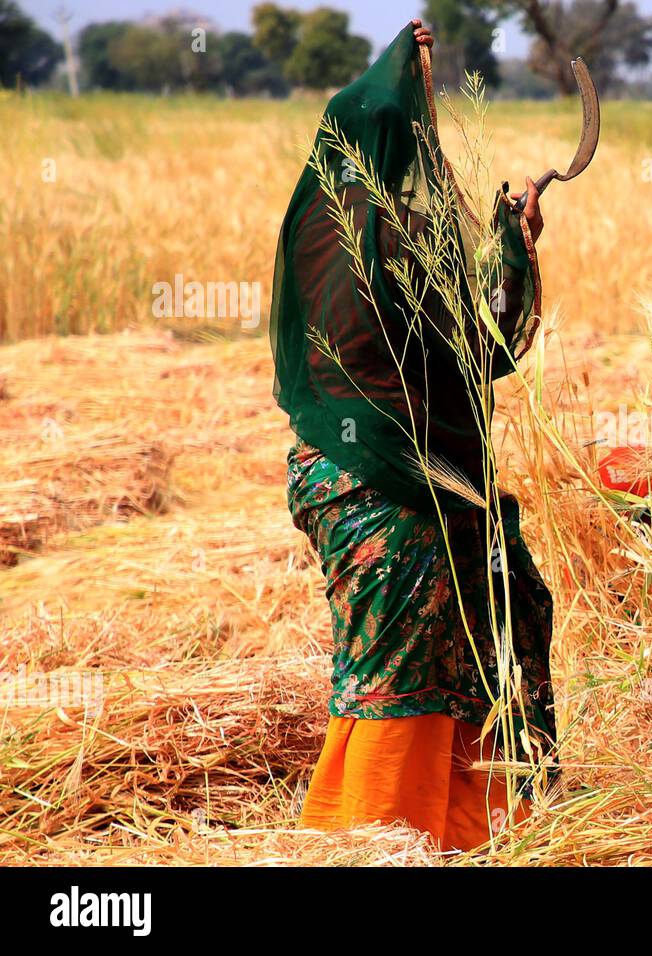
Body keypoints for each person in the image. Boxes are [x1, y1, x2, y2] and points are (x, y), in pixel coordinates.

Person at [269, 20, 554, 850]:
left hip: (351, 479)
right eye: (410, 139)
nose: (421, 158)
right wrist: (510, 252)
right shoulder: (372, 237)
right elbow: (473, 347)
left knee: (426, 656)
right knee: (403, 670)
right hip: (385, 489)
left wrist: (510, 244)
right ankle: (380, 838)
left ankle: (451, 829)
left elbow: (458, 346)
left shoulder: (335, 224)